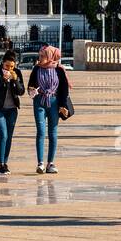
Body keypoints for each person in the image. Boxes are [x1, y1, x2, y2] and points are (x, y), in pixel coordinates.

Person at [27, 45, 71, 174]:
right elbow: (30, 85)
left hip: (54, 102)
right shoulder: (36, 69)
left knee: (53, 133)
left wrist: (62, 105)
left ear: (50, 56)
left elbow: (64, 89)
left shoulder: (59, 70)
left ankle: (50, 163)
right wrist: (32, 90)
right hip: (39, 101)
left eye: (42, 56)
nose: (39, 58)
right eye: (39, 55)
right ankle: (40, 163)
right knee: (41, 132)